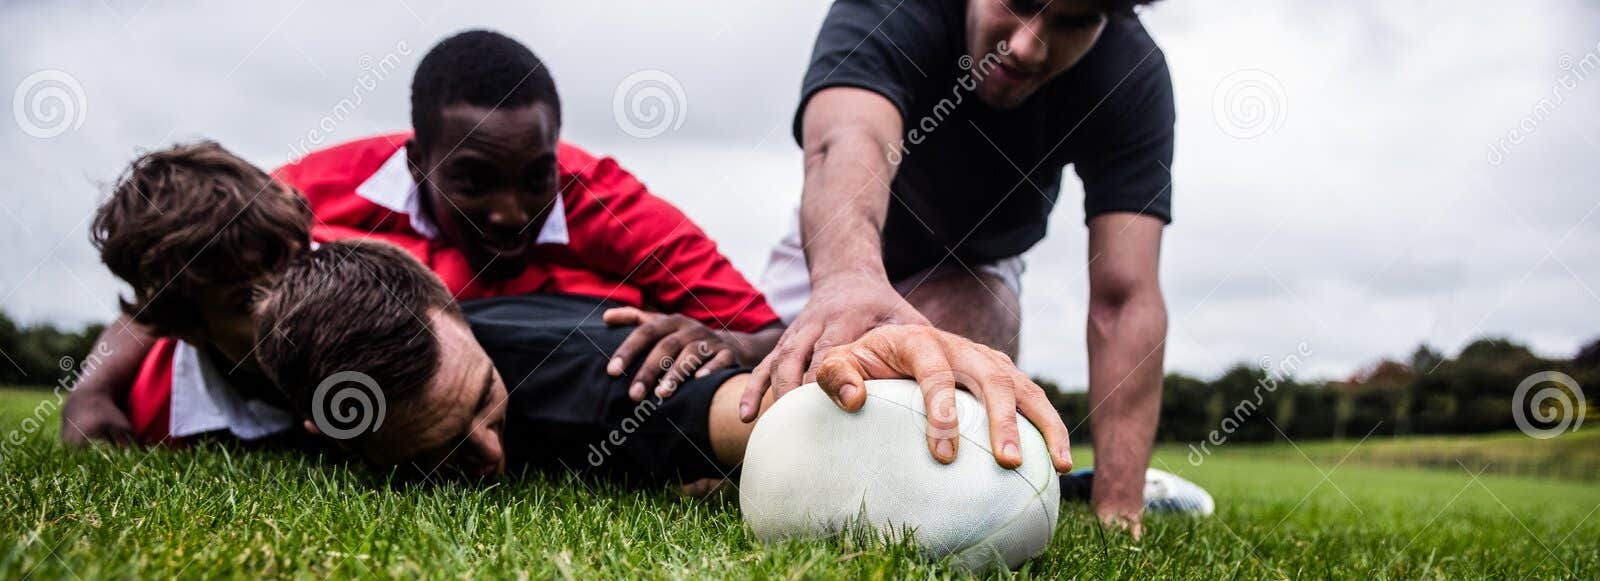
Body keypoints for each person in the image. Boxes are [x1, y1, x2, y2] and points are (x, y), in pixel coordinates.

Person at [63, 29, 780, 446]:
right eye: (474, 180)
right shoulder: (321, 191)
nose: (511, 211)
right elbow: (188, 263)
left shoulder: (611, 205)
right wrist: (90, 391)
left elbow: (769, 331)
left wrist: (727, 343)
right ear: (416, 164)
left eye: (537, 178)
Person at [744, 0, 1177, 534]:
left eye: (1071, 23)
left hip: (976, 266)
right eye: (1018, 3)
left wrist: (1119, 504)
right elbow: (847, 139)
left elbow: (1124, 297)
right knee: (755, 389)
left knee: (960, 340)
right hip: (837, 242)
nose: (1027, 47)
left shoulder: (1132, 75)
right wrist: (847, 280)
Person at [253, 239, 1019, 491]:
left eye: (485, 398)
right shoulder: (289, 387)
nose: (491, 453)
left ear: (453, 306)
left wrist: (880, 369)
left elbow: (778, 415)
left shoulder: (600, 385)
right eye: (441, 453)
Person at [60, 142, 313, 447]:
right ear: (187, 330)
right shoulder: (158, 421)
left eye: (301, 269)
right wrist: (89, 396)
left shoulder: (322, 218)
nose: (297, 305)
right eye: (249, 300)